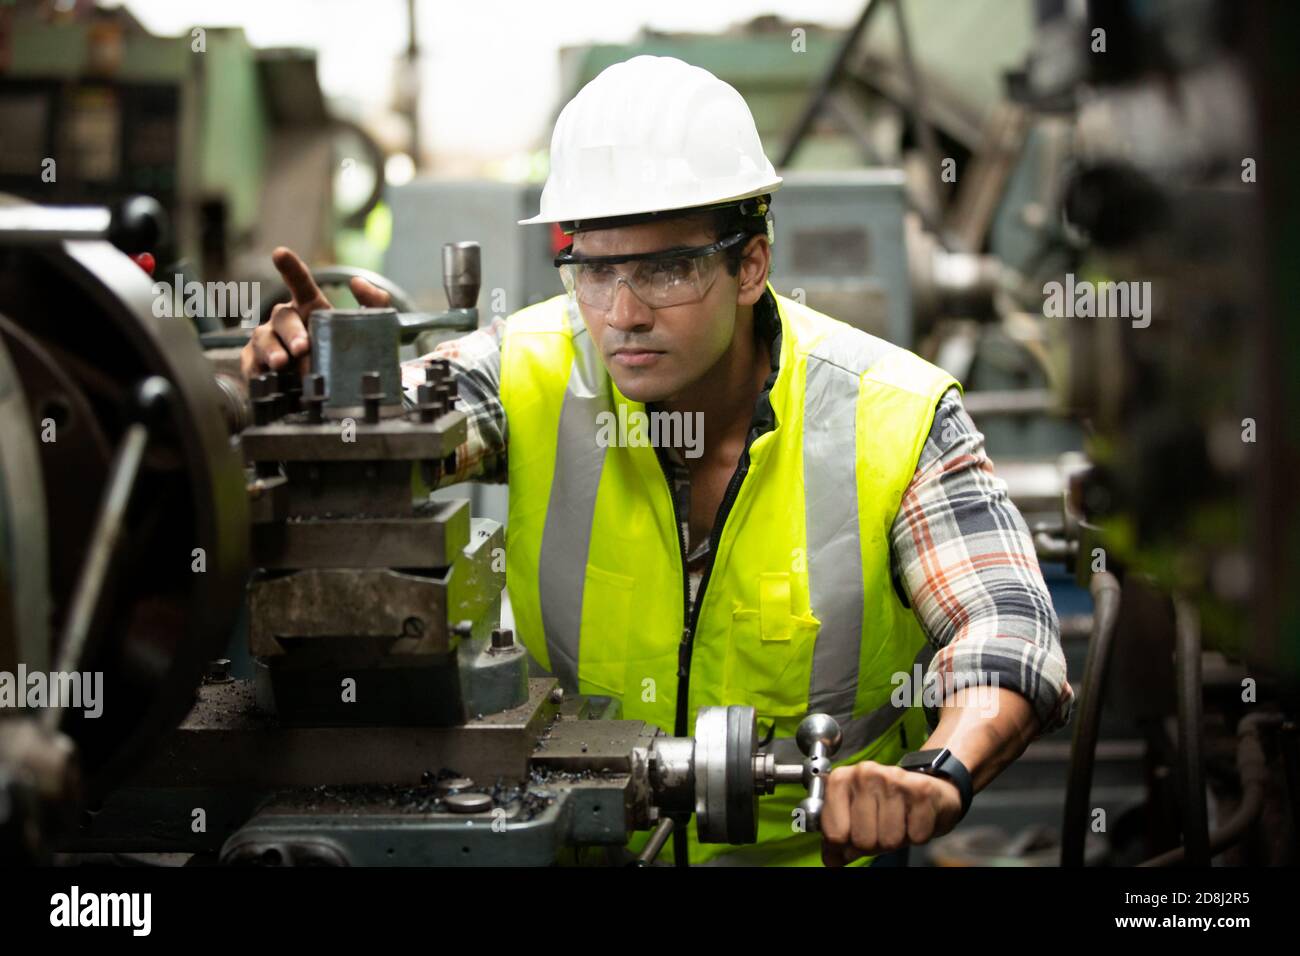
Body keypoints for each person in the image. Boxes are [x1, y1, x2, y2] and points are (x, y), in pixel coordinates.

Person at [242, 55, 1074, 867]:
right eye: (595, 270)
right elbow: (406, 419)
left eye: (668, 270)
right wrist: (324, 385)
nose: (622, 314)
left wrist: (934, 774)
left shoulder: (893, 414)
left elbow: (1011, 635)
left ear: (751, 264)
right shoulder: (534, 367)